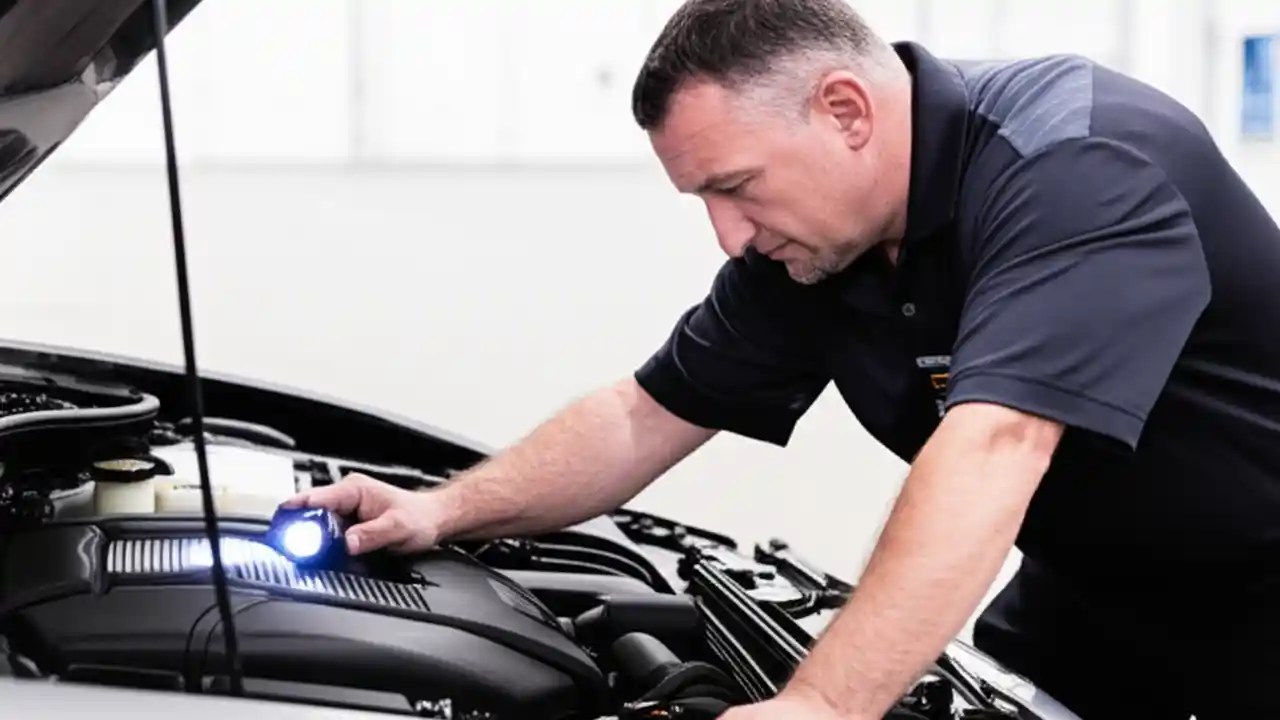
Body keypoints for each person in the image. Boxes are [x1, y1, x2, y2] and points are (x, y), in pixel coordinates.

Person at [284, 1, 1280, 717]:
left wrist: (821, 707)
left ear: (844, 110)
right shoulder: (813, 246)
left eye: (736, 186)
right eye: (702, 202)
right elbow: (644, 412)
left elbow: (995, 446)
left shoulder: (1074, 161)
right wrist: (437, 511)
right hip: (1086, 606)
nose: (728, 236)